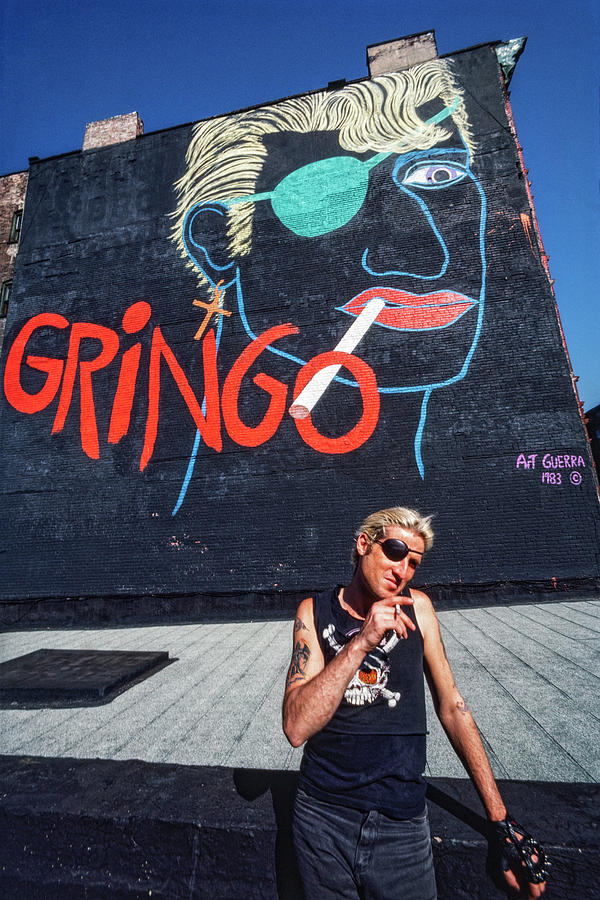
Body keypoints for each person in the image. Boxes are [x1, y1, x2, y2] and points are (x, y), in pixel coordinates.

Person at [170, 60, 487, 514]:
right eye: (327, 195)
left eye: (439, 174)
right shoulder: (224, 528)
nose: (431, 255)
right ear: (218, 241)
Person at [282, 506, 548, 899]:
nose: (402, 570)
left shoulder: (418, 609)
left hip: (401, 825)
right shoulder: (314, 611)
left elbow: (453, 708)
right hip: (322, 818)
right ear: (364, 544)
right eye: (395, 551)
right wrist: (362, 642)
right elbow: (295, 727)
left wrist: (500, 820)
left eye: (413, 563)